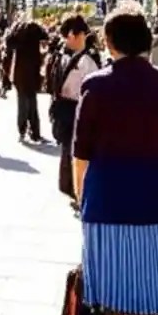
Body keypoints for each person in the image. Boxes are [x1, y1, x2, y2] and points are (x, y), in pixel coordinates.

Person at [73, 8, 158, 315]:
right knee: (149, 308)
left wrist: (82, 198)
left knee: (108, 305)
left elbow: (80, 153)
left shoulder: (95, 86)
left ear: (109, 43)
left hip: (108, 204)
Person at [51, 14, 101, 208]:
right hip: (71, 107)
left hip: (70, 108)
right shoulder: (75, 58)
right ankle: (74, 190)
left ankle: (74, 190)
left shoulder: (75, 58)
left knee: (72, 150)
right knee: (73, 150)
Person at [4, 13, 49, 143]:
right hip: (33, 69)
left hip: (19, 71)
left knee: (22, 102)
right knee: (32, 101)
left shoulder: (16, 30)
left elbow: (8, 44)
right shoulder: (35, 29)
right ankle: (35, 132)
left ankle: (22, 130)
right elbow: (45, 37)